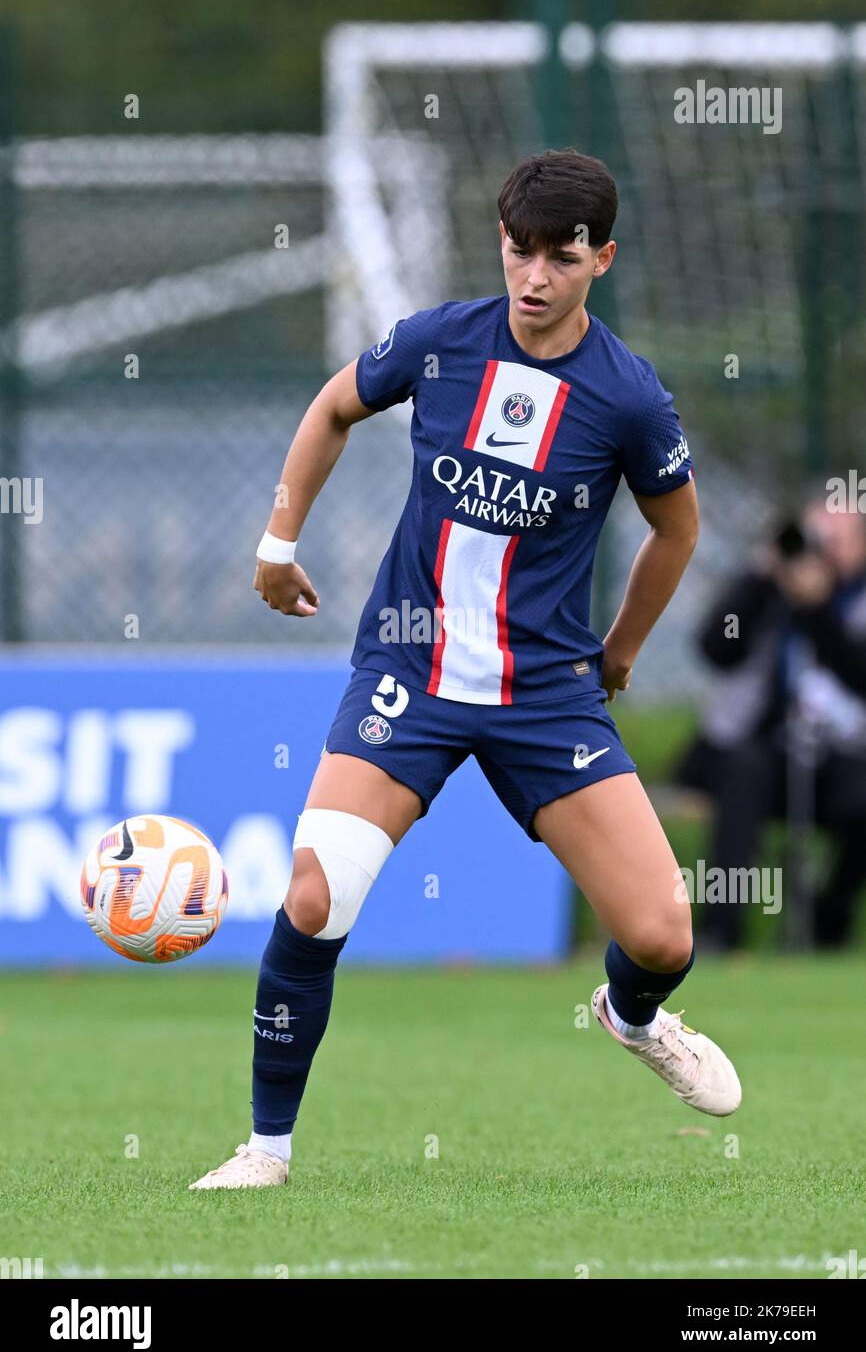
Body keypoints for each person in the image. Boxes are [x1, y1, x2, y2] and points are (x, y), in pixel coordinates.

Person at [190, 149, 740, 1190]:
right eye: (517, 250)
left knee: (664, 932)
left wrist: (617, 649)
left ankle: (627, 1014)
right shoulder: (440, 343)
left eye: (559, 257)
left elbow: (676, 530)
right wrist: (275, 543)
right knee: (314, 897)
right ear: (500, 243)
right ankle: (265, 1150)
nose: (533, 276)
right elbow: (332, 408)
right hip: (410, 669)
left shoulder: (625, 398)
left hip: (542, 694)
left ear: (601, 260)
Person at [680, 500, 866, 951]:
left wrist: (818, 609)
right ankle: (721, 931)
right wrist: (759, 577)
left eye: (835, 541)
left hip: (844, 758)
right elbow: (714, 648)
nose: (821, 554)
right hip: (769, 752)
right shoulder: (767, 593)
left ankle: (831, 920)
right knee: (743, 773)